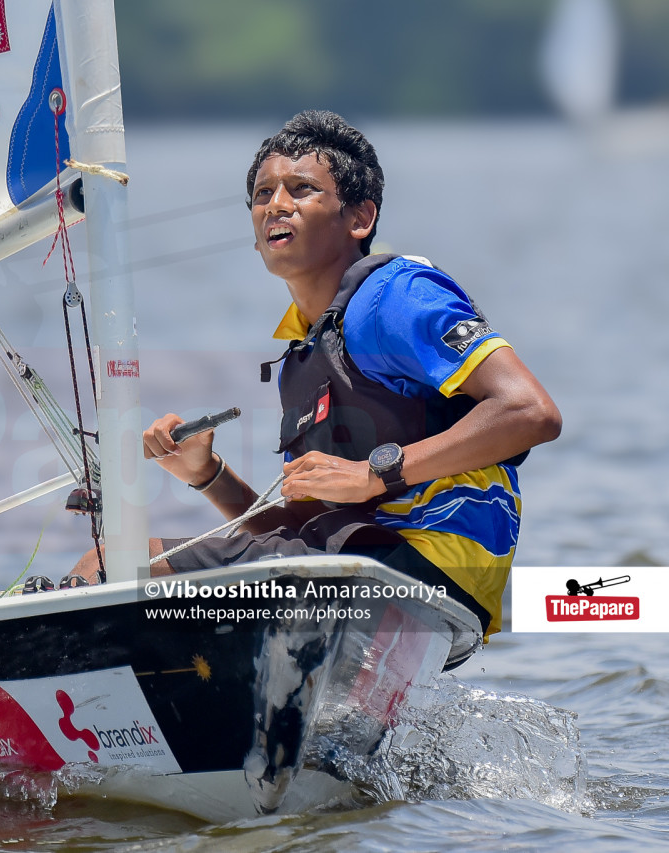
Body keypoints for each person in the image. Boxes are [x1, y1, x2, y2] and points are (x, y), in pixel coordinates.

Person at [66, 109, 561, 638]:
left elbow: (530, 412)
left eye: (301, 189)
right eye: (262, 195)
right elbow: (299, 532)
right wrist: (207, 474)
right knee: (140, 575)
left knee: (113, 562)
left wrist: (376, 473)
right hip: (368, 573)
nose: (276, 204)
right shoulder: (304, 352)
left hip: (430, 573)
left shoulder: (393, 296)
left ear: (360, 218)